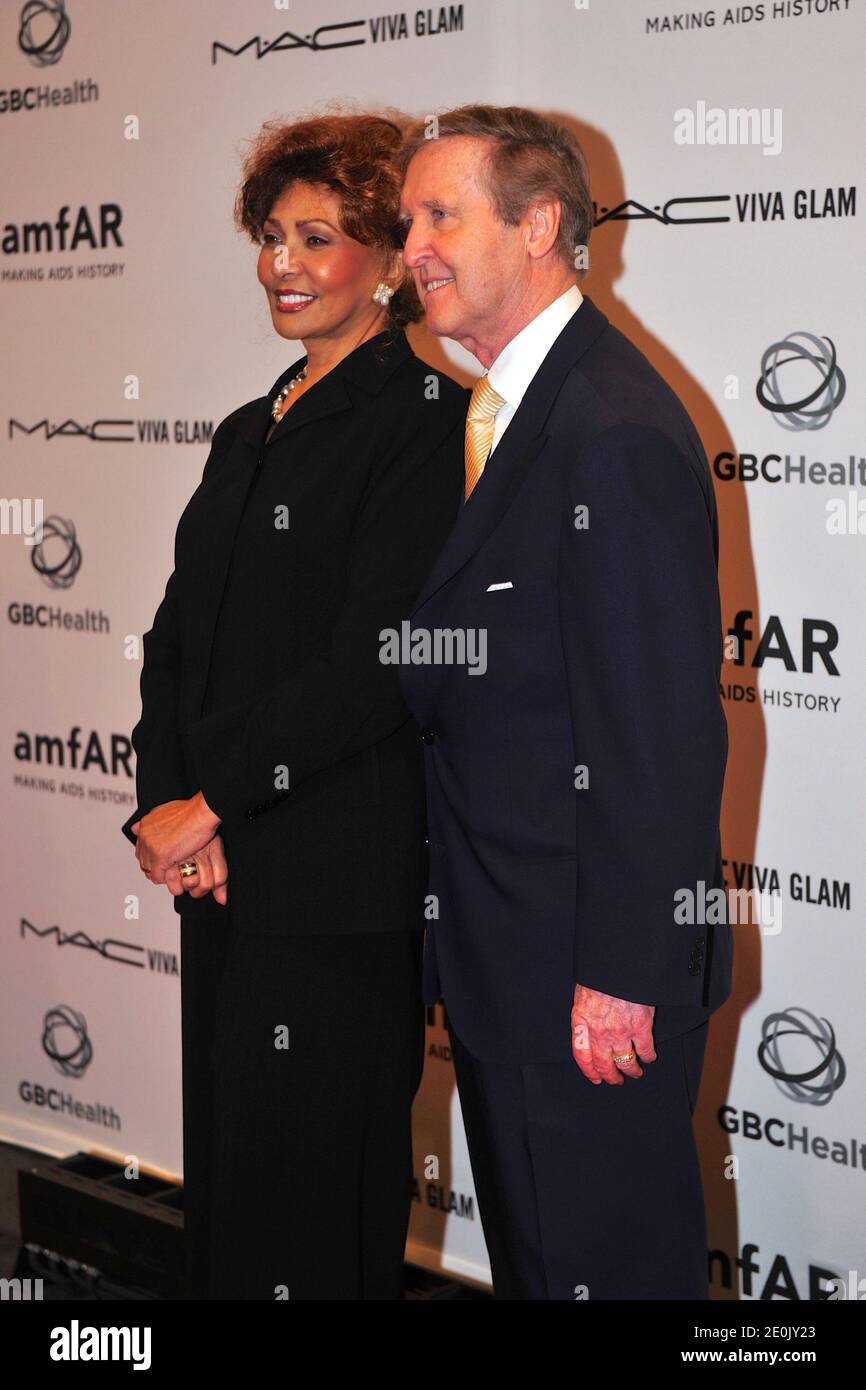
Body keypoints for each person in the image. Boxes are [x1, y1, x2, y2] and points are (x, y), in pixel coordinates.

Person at [120, 112, 466, 1300]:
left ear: (384, 256)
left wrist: (214, 802)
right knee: (229, 1180)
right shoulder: (243, 426)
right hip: (218, 873)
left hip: (334, 887)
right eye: (271, 235)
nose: (282, 263)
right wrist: (162, 803)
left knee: (314, 1199)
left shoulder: (420, 421)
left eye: (317, 237)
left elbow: (376, 663)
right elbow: (176, 636)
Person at [396, 104, 732, 1300]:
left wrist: (622, 972)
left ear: (539, 226)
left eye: (441, 215)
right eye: (404, 222)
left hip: (586, 986)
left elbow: (658, 733)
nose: (411, 249)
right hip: (514, 961)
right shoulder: (511, 413)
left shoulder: (609, 427)